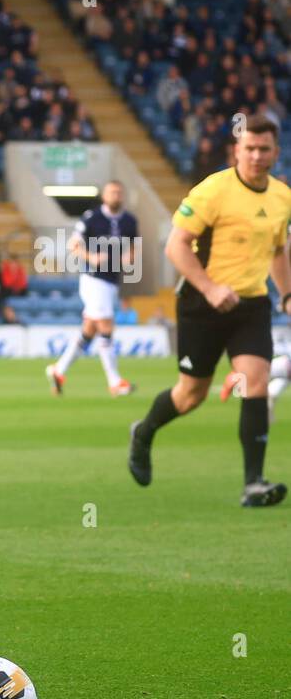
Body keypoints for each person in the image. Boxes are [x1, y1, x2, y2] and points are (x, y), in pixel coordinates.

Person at [129, 116, 291, 507]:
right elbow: (176, 246)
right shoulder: (213, 190)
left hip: (250, 304)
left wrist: (287, 296)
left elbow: (279, 250)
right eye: (248, 148)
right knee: (191, 395)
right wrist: (210, 287)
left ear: (275, 152)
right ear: (236, 150)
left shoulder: (282, 197)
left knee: (256, 377)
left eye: (263, 149)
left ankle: (253, 483)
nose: (255, 155)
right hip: (201, 304)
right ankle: (144, 431)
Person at [46, 181, 139, 397]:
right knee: (106, 326)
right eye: (111, 192)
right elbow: (73, 244)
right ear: (104, 195)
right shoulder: (92, 218)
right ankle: (114, 382)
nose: (115, 195)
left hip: (112, 280)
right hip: (93, 279)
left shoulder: (129, 221)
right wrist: (91, 257)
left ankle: (59, 371)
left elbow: (133, 244)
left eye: (118, 192)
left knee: (89, 330)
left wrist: (129, 257)